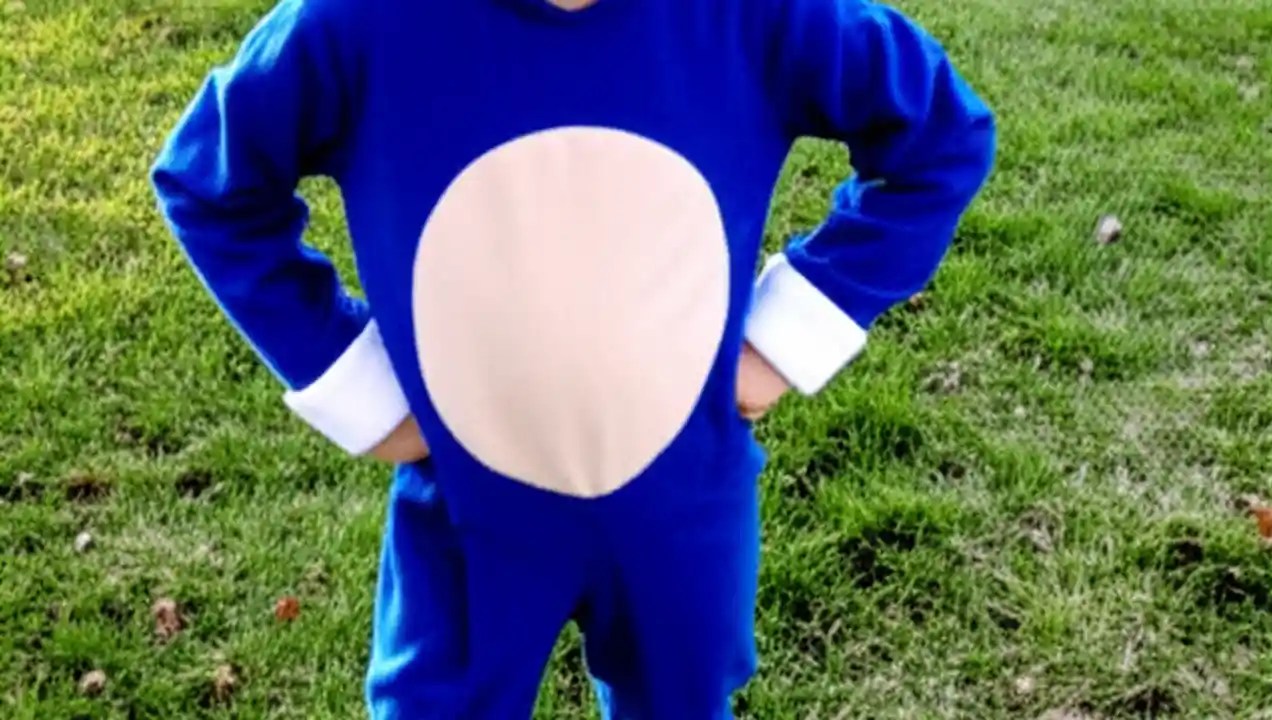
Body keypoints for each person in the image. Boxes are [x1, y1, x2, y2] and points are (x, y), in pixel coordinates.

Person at [149, 0, 996, 716]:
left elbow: (938, 139)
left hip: (680, 504)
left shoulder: (756, 14)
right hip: (473, 514)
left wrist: (786, 337)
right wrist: (356, 385)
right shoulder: (362, 22)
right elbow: (212, 182)